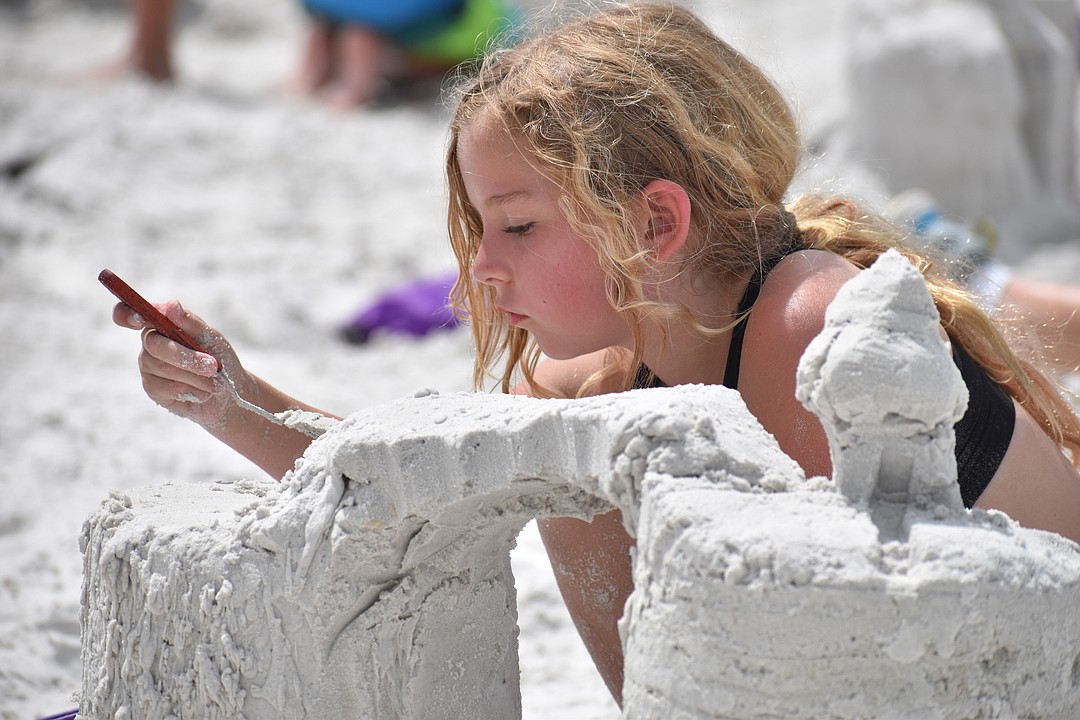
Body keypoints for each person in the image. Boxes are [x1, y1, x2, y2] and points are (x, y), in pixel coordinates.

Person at [110, 2, 1080, 708]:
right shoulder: (596, 376)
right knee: (566, 468)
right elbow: (416, 477)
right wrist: (230, 399)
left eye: (518, 227)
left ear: (656, 222)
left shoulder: (809, 330)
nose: (476, 275)